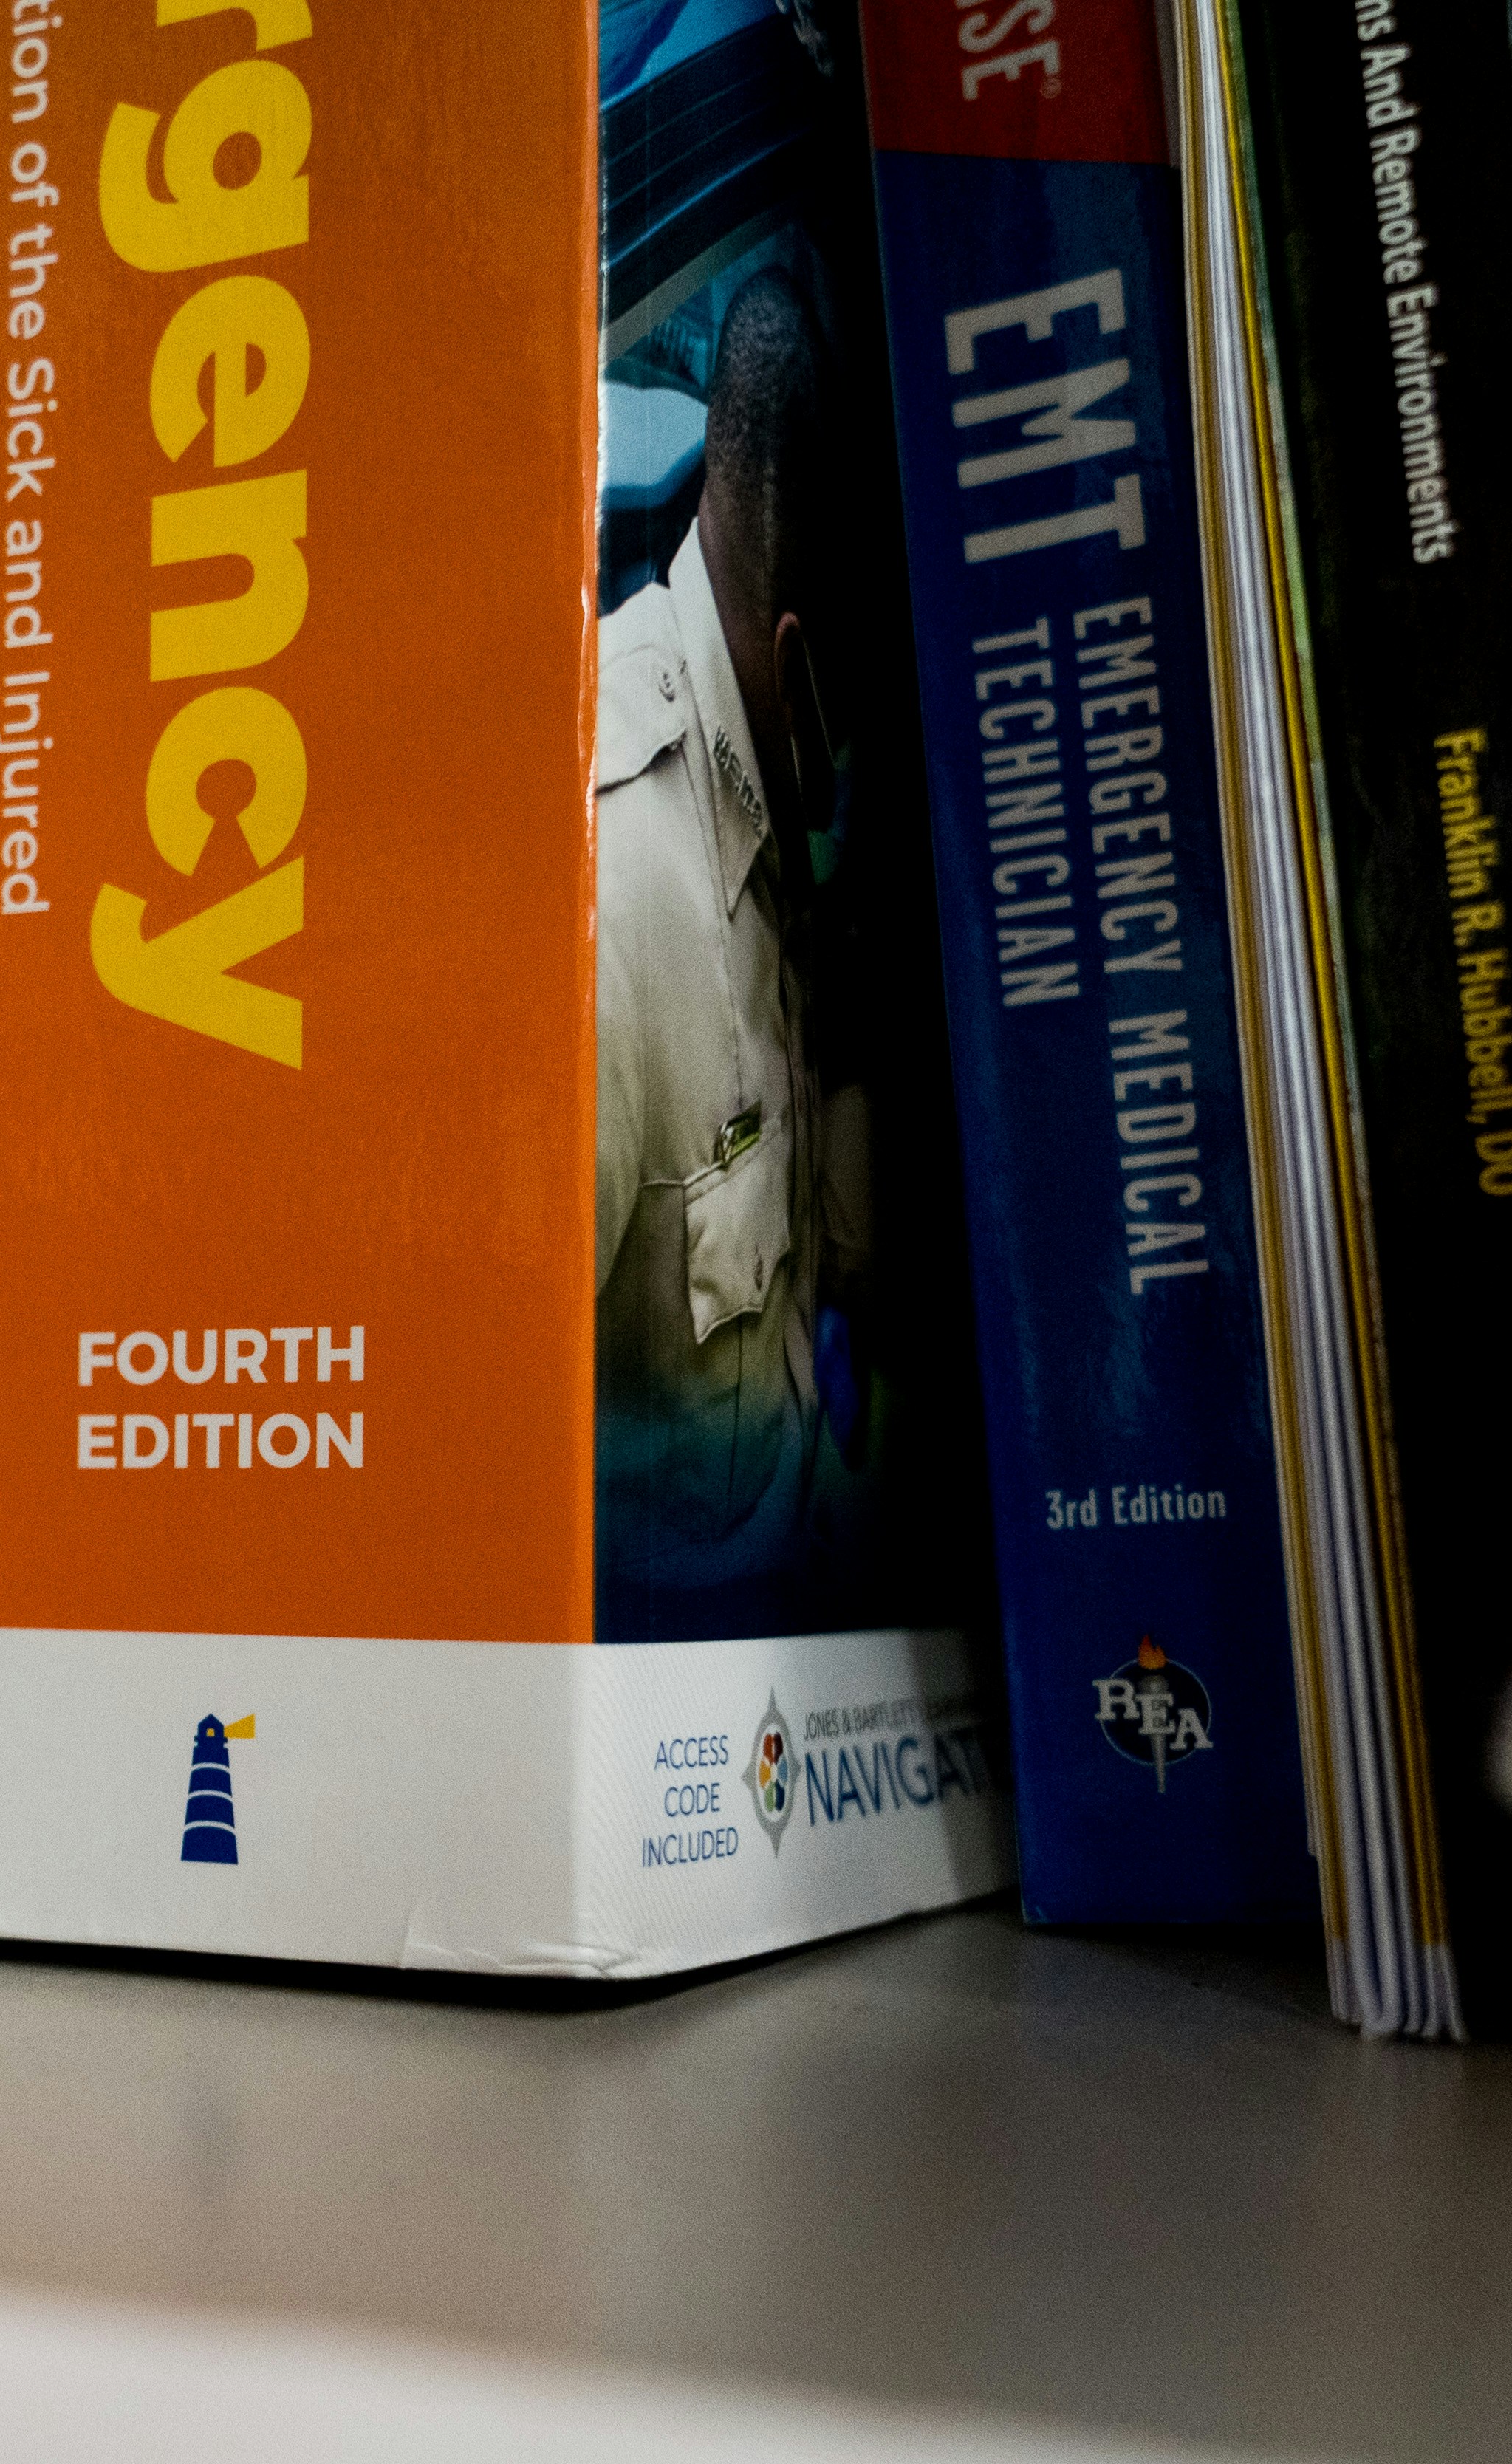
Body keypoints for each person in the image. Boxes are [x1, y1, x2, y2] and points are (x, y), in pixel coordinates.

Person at [592, 235, 880, 1634]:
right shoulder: (610, 881)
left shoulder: (771, 799)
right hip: (677, 1651)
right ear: (808, 660)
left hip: (801, 1526)